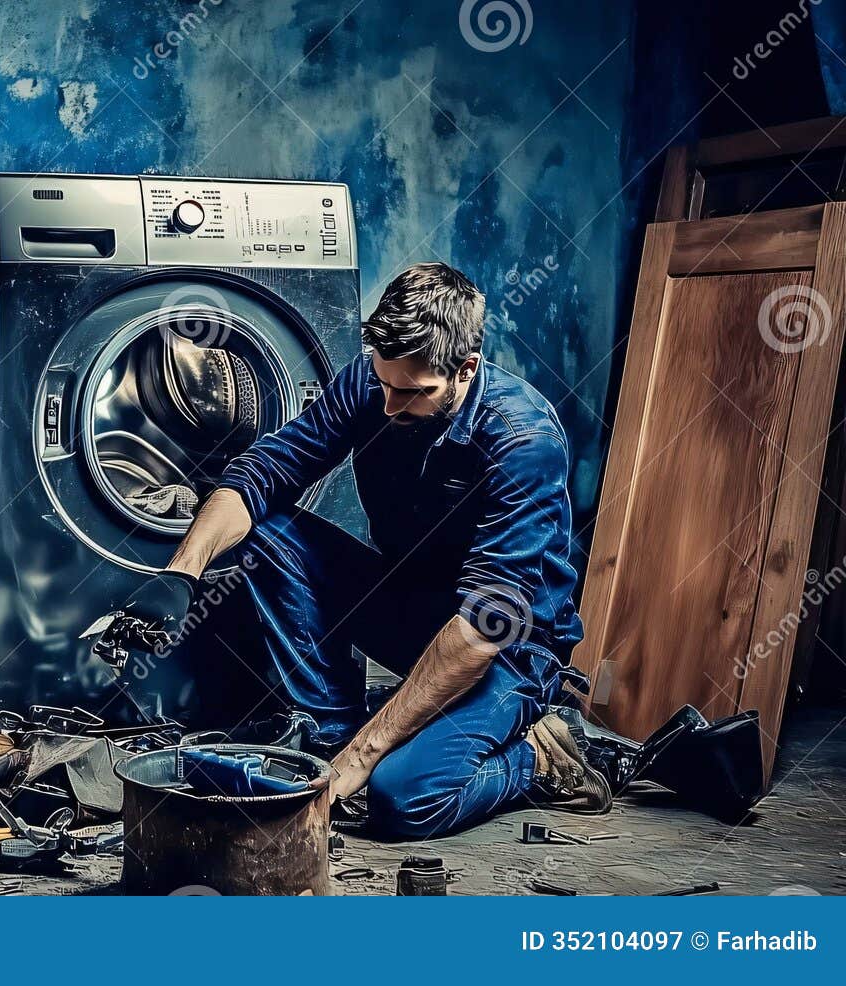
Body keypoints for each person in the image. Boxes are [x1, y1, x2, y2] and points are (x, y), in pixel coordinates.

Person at [101, 262, 612, 839]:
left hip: (506, 644)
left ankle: (537, 759)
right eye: (384, 382)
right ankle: (328, 738)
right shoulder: (374, 382)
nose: (389, 405)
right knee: (266, 531)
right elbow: (265, 472)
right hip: (412, 607)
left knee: (404, 799)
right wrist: (181, 576)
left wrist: (365, 757)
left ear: (466, 368)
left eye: (413, 392)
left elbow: (483, 628)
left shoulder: (524, 442)